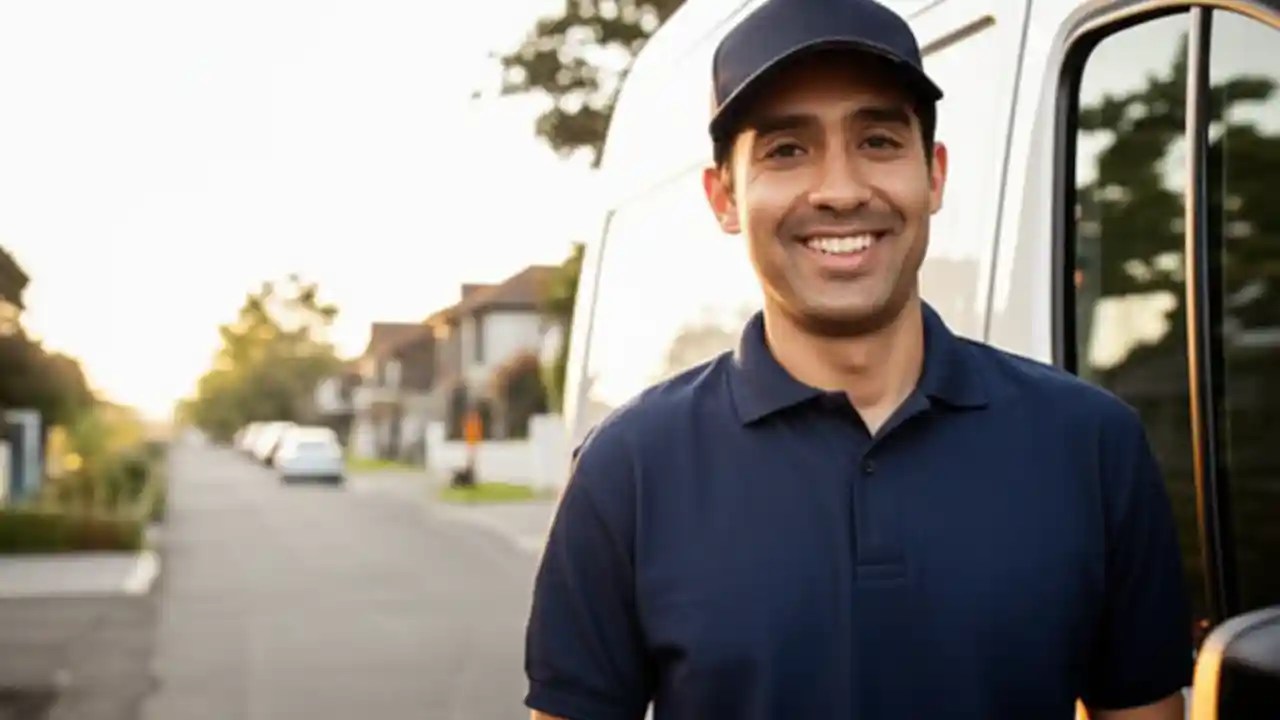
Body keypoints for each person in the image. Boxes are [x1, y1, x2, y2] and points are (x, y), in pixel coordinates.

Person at [523, 0, 1193, 717]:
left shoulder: (1091, 443)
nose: (841, 191)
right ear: (724, 197)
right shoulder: (626, 470)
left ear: (933, 175)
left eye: (877, 141)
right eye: (786, 149)